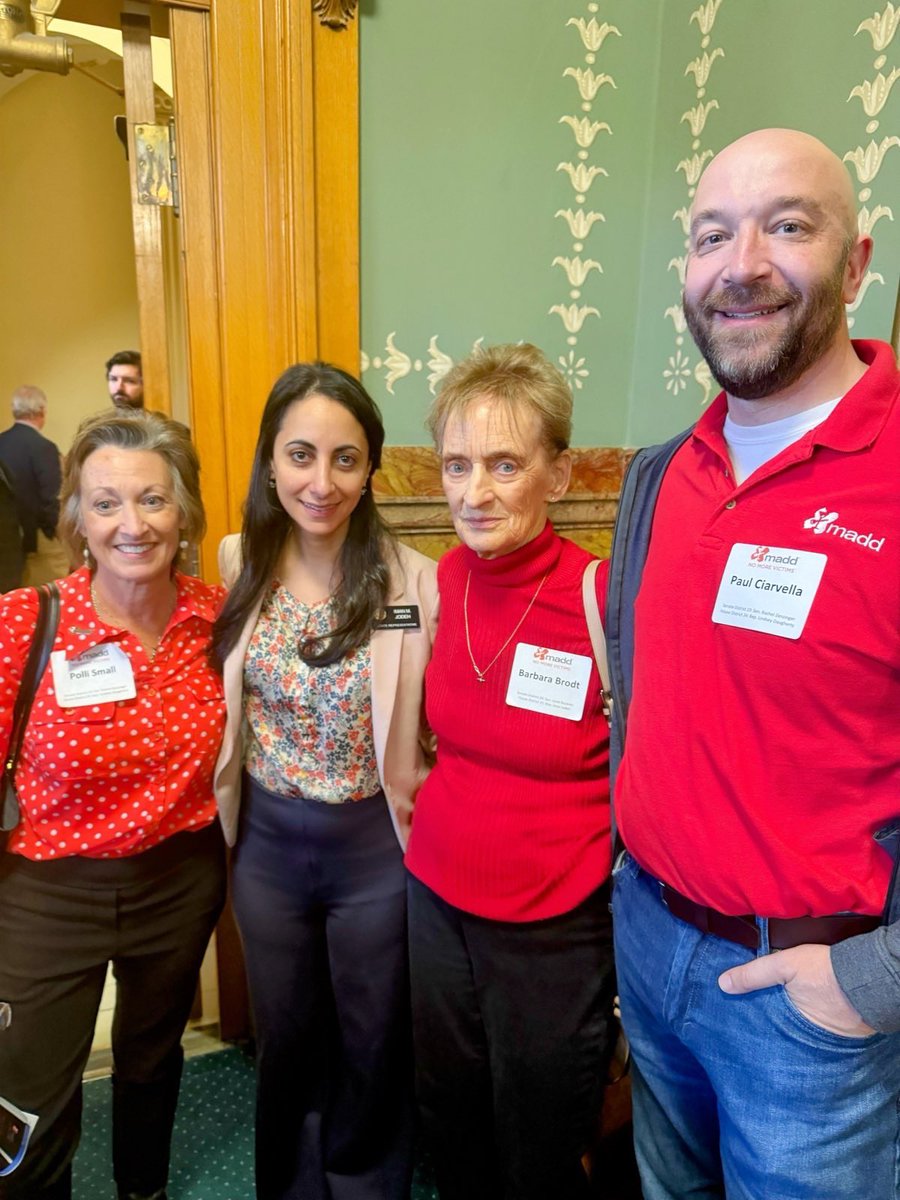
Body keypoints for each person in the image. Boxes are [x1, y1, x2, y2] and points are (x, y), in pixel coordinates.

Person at [605, 128, 900, 1200]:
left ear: (858, 262)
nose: (744, 265)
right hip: (651, 941)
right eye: (713, 234)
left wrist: (872, 980)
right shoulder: (660, 476)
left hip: (810, 1005)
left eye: (787, 225)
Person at [212, 362, 437, 1200]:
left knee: (375, 1033)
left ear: (372, 467)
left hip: (374, 845)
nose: (322, 481)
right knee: (289, 1032)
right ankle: (294, 1184)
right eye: (300, 455)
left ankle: (367, 1182)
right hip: (268, 845)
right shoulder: (239, 559)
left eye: (346, 458)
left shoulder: (414, 582)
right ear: (271, 462)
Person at [405, 343, 617, 1200]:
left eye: (503, 464)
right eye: (457, 465)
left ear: (558, 476)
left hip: (554, 918)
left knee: (540, 1135)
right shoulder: (441, 581)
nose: (474, 492)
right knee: (449, 1118)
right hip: (435, 899)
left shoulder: (605, 597)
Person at [0, 409, 227, 1200]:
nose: (133, 524)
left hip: (180, 878)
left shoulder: (218, 618)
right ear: (77, 520)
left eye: (153, 500)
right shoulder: (26, 624)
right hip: (48, 891)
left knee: (150, 1057)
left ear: (184, 512)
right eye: (106, 504)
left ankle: (144, 1189)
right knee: (27, 1089)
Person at [0, 386, 69, 586]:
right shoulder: (44, 448)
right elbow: (53, 496)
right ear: (41, 411)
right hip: (38, 538)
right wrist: (54, 532)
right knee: (50, 596)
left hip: (7, 540)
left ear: (14, 410)